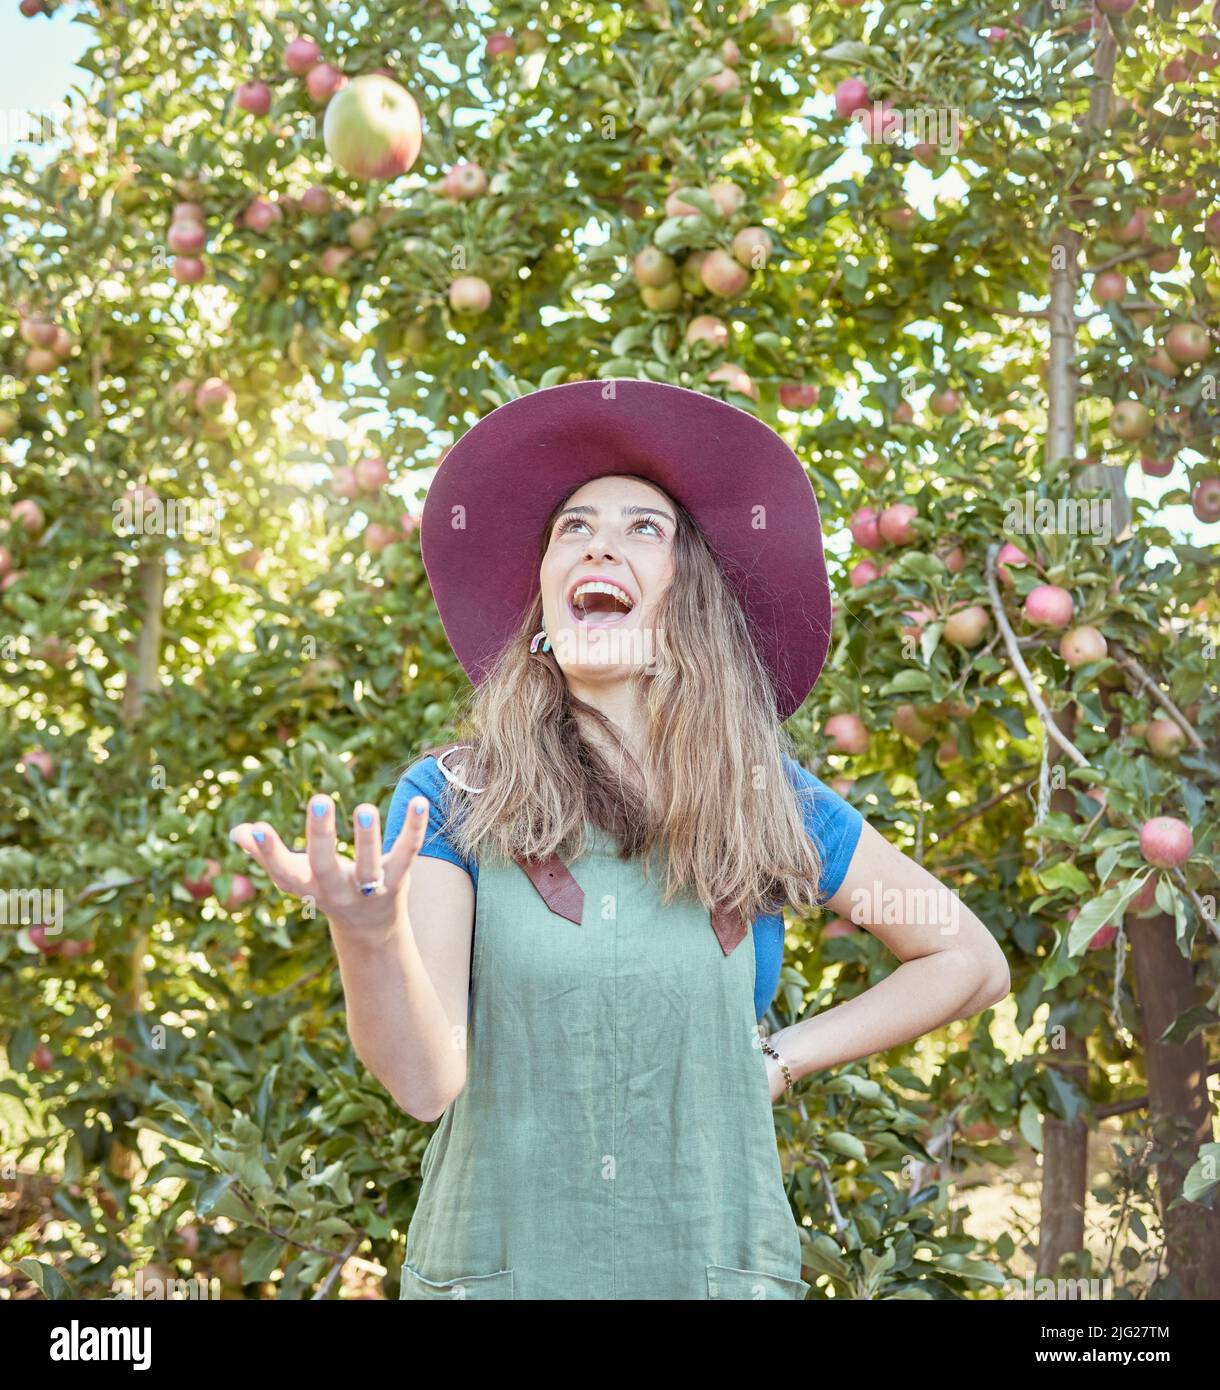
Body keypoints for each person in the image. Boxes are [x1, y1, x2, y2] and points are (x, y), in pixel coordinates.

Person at [228, 378, 1009, 1301]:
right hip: (503, 1276)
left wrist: (782, 1059)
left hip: (709, 1275)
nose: (600, 540)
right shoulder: (450, 798)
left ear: (688, 603)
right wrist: (365, 937)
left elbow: (969, 961)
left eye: (645, 528)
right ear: (545, 615)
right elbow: (427, 1080)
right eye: (574, 528)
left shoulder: (766, 798)